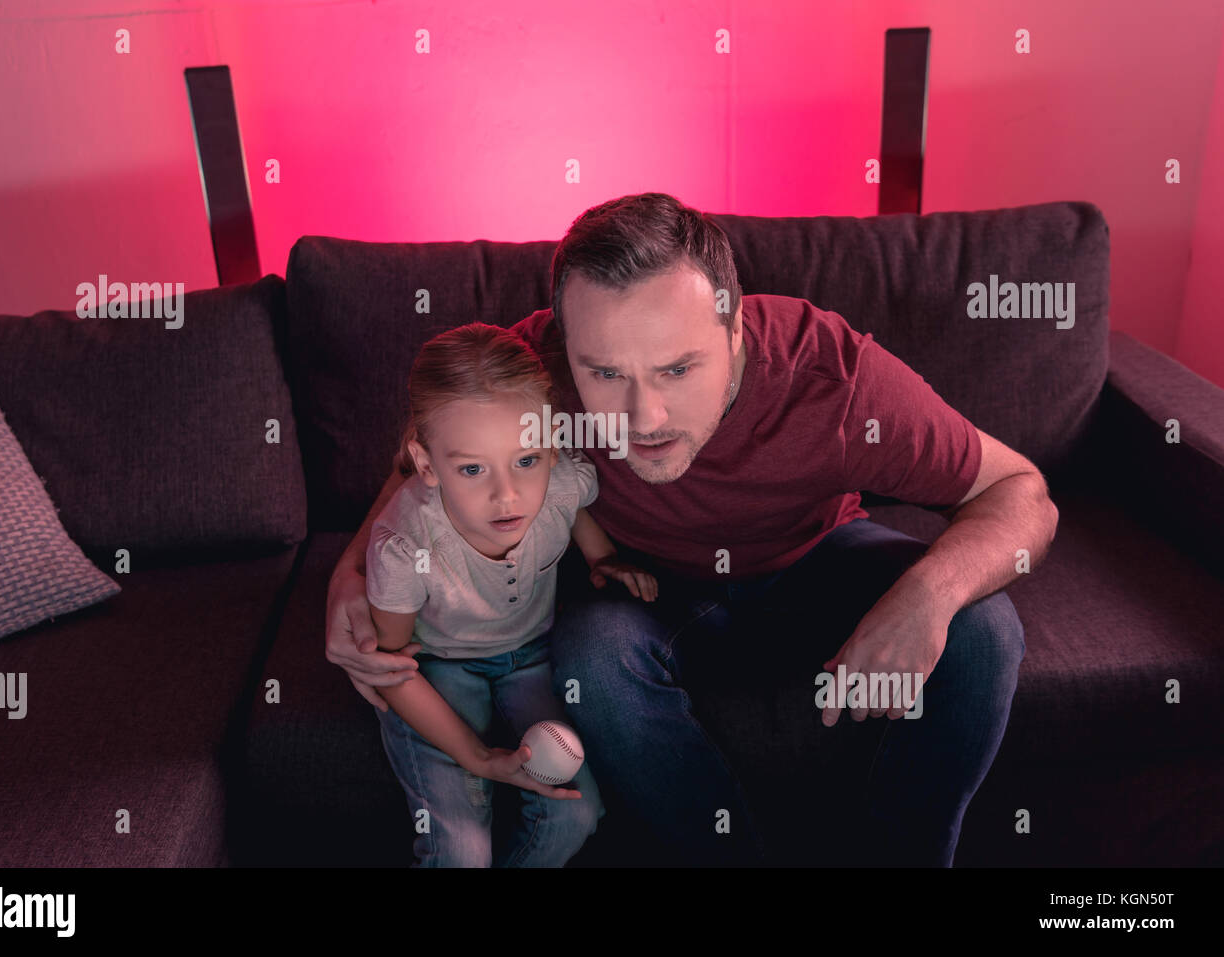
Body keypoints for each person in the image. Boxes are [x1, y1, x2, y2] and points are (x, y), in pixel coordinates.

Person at [328, 193, 1058, 867]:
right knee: (588, 655)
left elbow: (1023, 491)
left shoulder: (833, 376)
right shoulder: (535, 365)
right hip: (653, 588)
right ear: (566, 344)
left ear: (734, 328)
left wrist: (929, 593)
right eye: (605, 373)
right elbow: (422, 467)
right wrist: (348, 583)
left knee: (984, 629)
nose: (643, 417)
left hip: (810, 560)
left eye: (678, 368)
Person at [363, 322, 658, 867]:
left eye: (526, 459)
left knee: (577, 810)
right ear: (427, 464)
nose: (507, 495)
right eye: (472, 469)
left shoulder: (559, 482)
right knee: (460, 850)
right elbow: (392, 668)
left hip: (531, 657)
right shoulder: (403, 545)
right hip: (438, 667)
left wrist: (602, 559)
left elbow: (574, 511)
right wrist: (478, 758)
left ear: (551, 447)